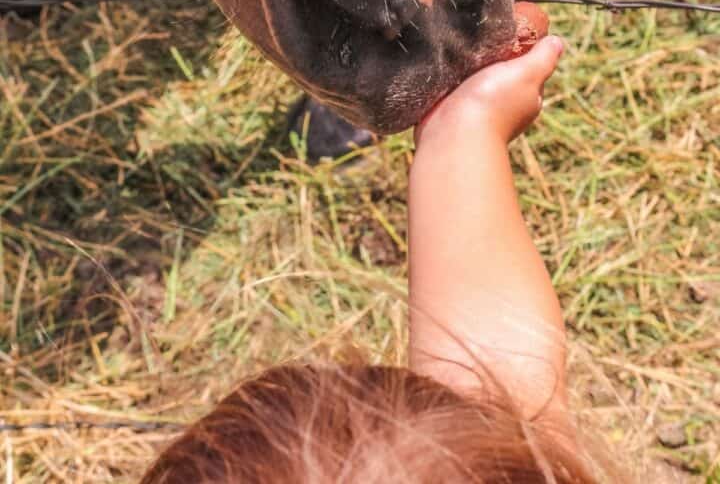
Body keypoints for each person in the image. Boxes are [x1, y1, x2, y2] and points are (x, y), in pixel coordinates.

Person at [141, 33, 616, 482]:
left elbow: (509, 424)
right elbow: (510, 403)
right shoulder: (521, 456)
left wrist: (462, 128)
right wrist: (464, 129)